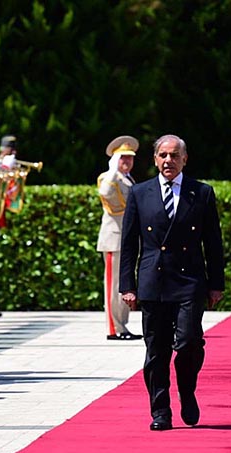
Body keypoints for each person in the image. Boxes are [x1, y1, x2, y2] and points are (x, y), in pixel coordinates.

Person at [120, 134, 224, 431]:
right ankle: (160, 410)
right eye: (163, 155)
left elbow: (212, 242)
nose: (168, 161)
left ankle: (187, 389)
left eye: (174, 156)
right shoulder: (140, 193)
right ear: (155, 159)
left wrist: (216, 283)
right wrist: (128, 286)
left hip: (189, 279)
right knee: (156, 350)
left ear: (184, 159)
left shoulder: (201, 193)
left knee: (190, 341)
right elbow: (129, 244)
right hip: (153, 280)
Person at [97, 135, 141, 341]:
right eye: (122, 158)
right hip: (113, 238)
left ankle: (123, 326)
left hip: (126, 237)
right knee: (113, 286)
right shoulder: (108, 177)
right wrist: (113, 170)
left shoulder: (128, 179)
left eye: (129, 158)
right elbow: (105, 192)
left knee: (124, 284)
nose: (127, 162)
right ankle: (113, 328)